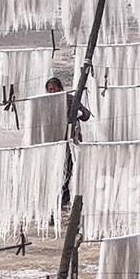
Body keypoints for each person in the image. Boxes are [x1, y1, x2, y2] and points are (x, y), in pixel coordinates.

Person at [45, 78, 91, 207]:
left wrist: (78, 113)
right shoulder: (45, 103)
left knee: (67, 169)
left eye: (54, 89)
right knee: (56, 169)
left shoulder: (70, 99)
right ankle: (56, 196)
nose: (52, 92)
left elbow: (87, 115)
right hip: (54, 142)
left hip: (70, 141)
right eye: (49, 90)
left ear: (60, 88)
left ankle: (64, 198)